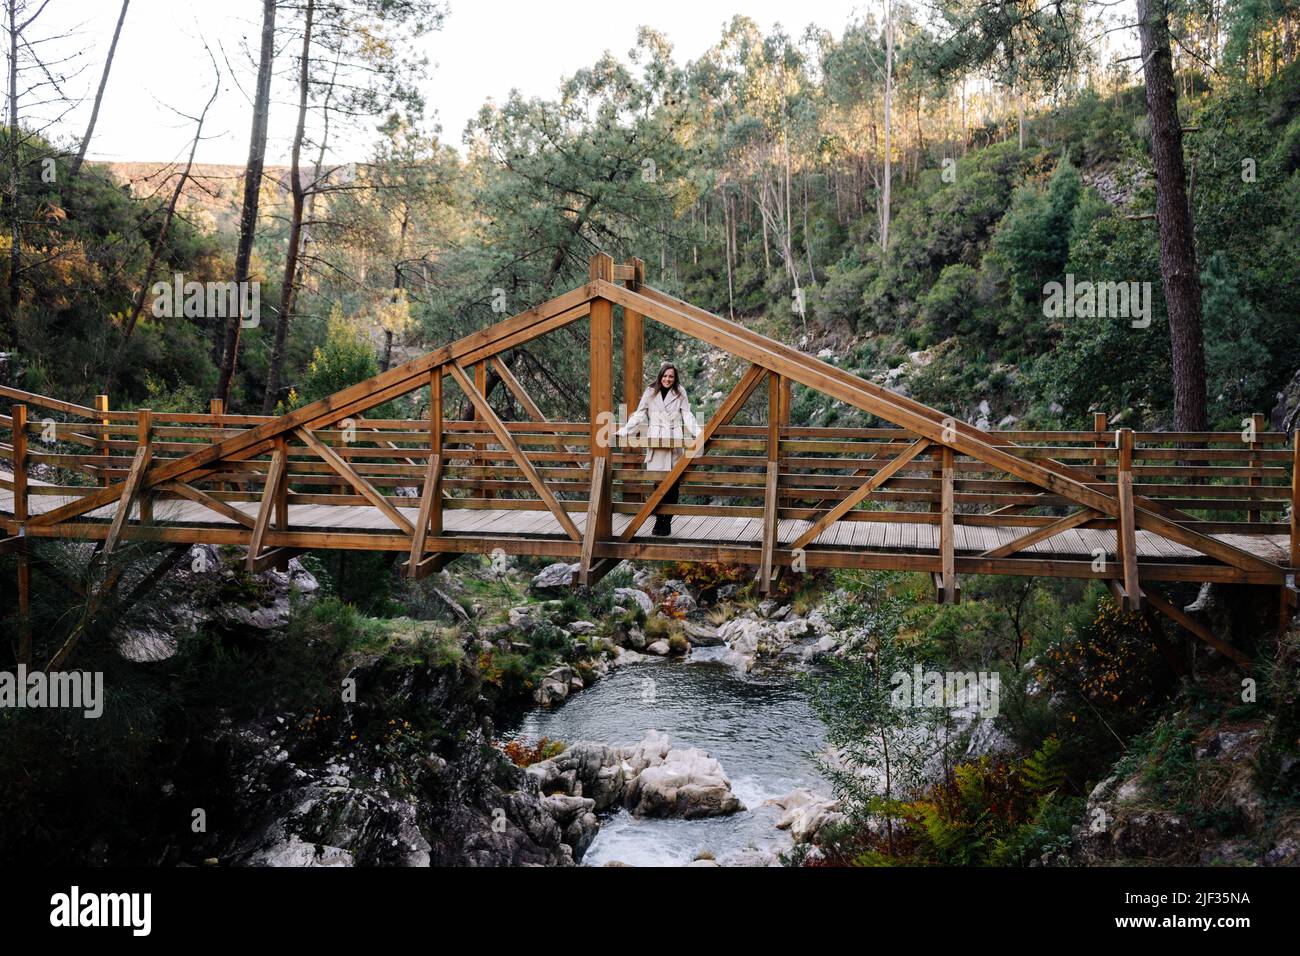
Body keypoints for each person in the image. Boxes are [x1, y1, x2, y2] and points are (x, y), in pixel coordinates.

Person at [616, 361, 702, 536]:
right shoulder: (650, 391)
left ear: (674, 378)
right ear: (660, 376)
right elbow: (640, 413)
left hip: (673, 439)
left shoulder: (680, 392)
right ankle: (658, 518)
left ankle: (666, 522)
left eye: (671, 376)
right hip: (656, 439)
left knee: (672, 483)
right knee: (657, 481)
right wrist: (625, 430)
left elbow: (687, 414)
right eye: (665, 376)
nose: (668, 379)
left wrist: (699, 432)